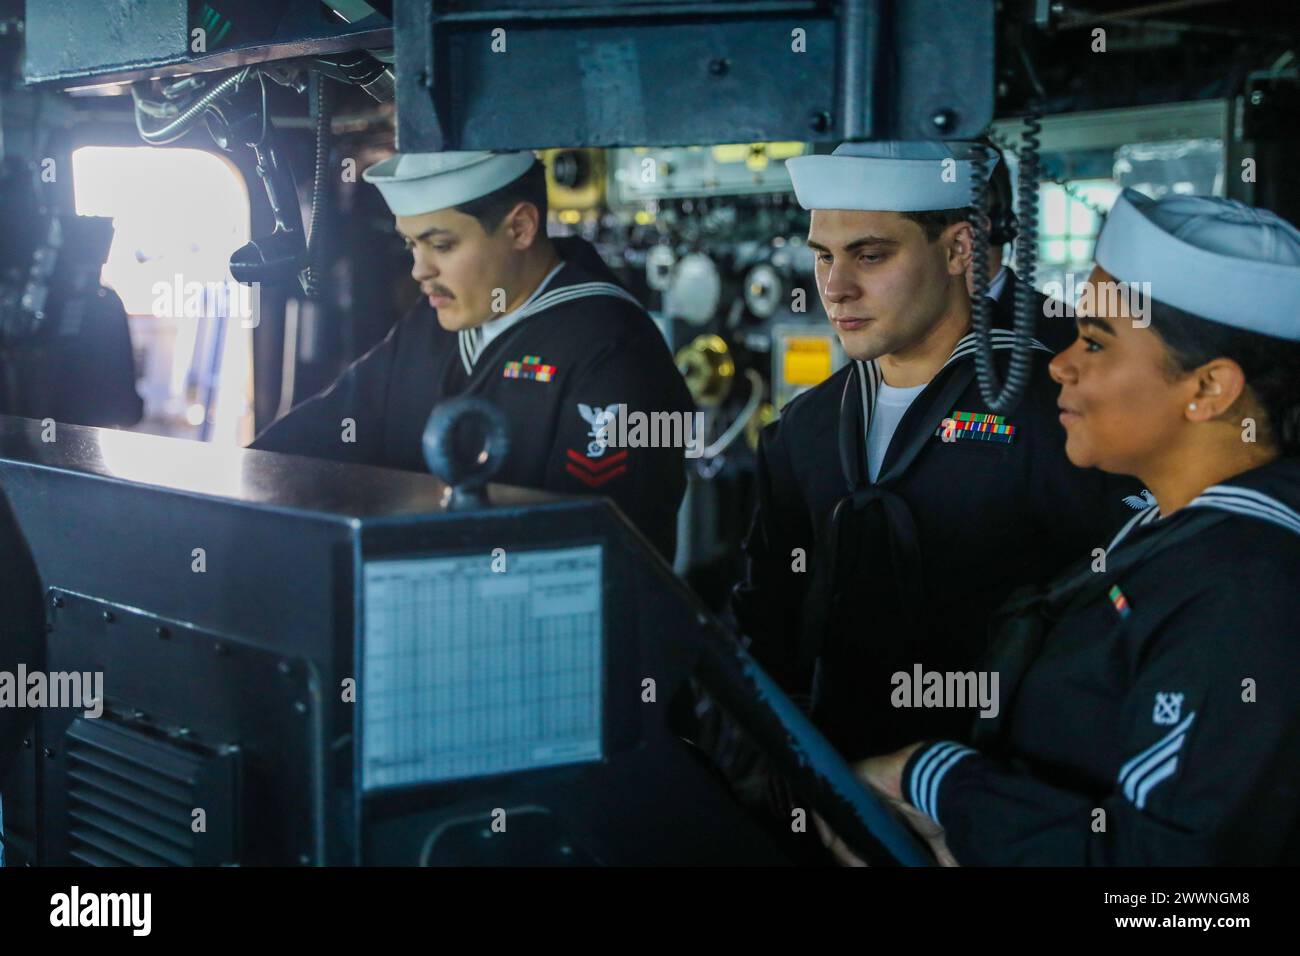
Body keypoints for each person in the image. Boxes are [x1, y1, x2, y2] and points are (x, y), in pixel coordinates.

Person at [846, 190, 1300, 865]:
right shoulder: (1170, 531)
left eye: (1095, 342)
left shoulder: (1242, 588)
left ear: (1209, 389)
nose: (1060, 363)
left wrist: (937, 778)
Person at [730, 141, 1139, 764]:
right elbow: (767, 619)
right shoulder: (804, 429)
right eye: (823, 258)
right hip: (837, 793)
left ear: (958, 249)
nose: (836, 288)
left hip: (1006, 801)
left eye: (870, 256)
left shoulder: (1058, 411)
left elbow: (1127, 623)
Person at [251, 151, 693, 559]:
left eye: (441, 245)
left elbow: (609, 551)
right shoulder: (431, 326)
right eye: (411, 245)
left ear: (520, 227)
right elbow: (319, 437)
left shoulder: (617, 353)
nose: (420, 270)